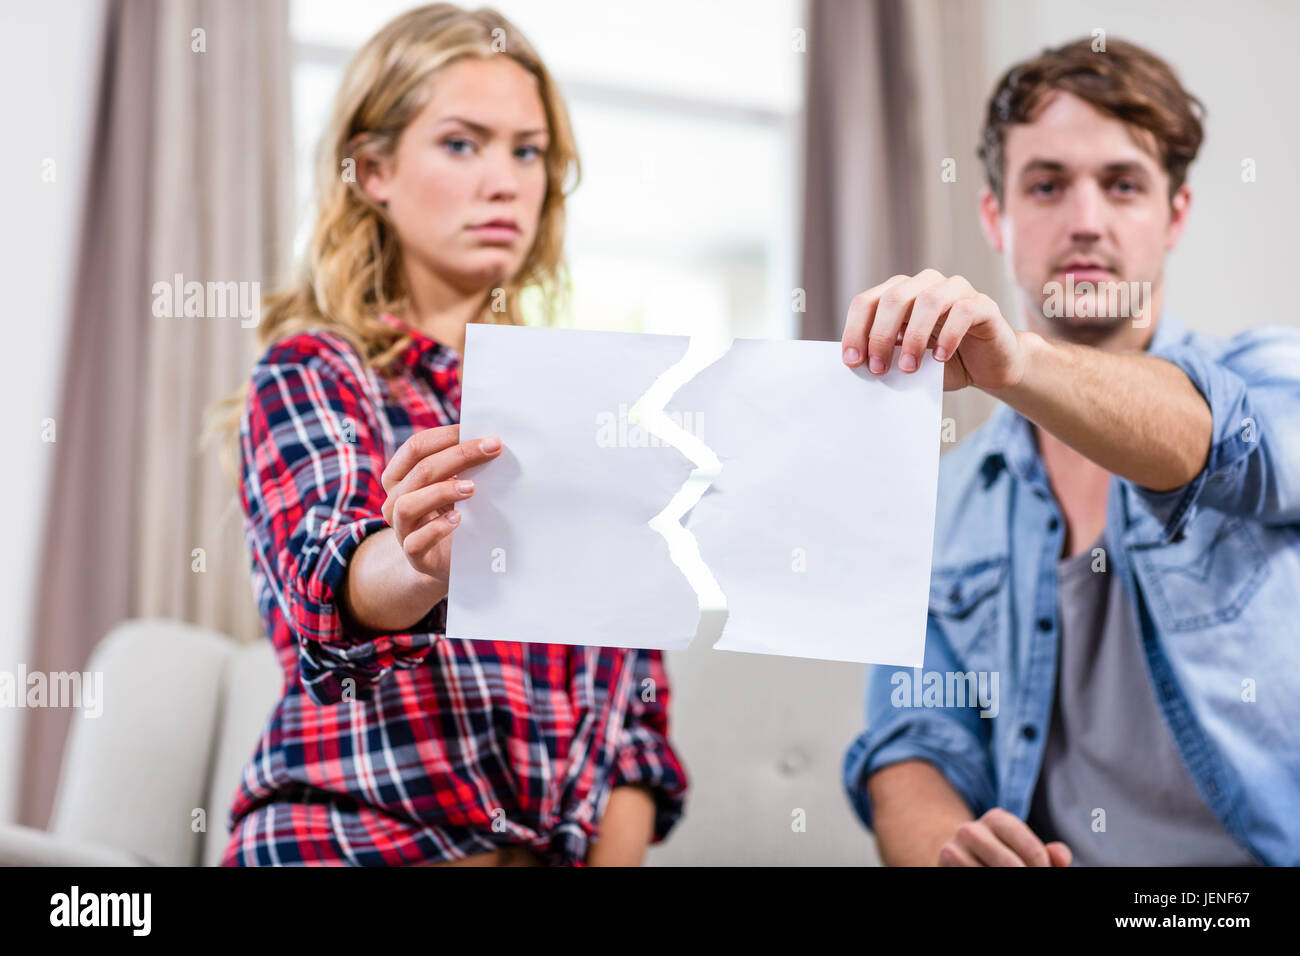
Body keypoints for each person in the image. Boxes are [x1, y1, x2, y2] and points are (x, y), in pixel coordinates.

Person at [210, 3, 687, 866]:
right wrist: (419, 561)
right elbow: (332, 579)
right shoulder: (316, 369)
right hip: (342, 840)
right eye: (462, 144)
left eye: (527, 150)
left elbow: (633, 723)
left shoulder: (595, 402)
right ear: (373, 171)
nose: (503, 180)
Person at [841, 37, 1300, 866]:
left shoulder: (1275, 379)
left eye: (1123, 185)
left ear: (1176, 215)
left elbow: (1223, 439)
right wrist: (950, 850)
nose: (1086, 220)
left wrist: (1021, 364)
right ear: (996, 217)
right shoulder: (939, 499)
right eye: (1046, 184)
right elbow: (910, 741)